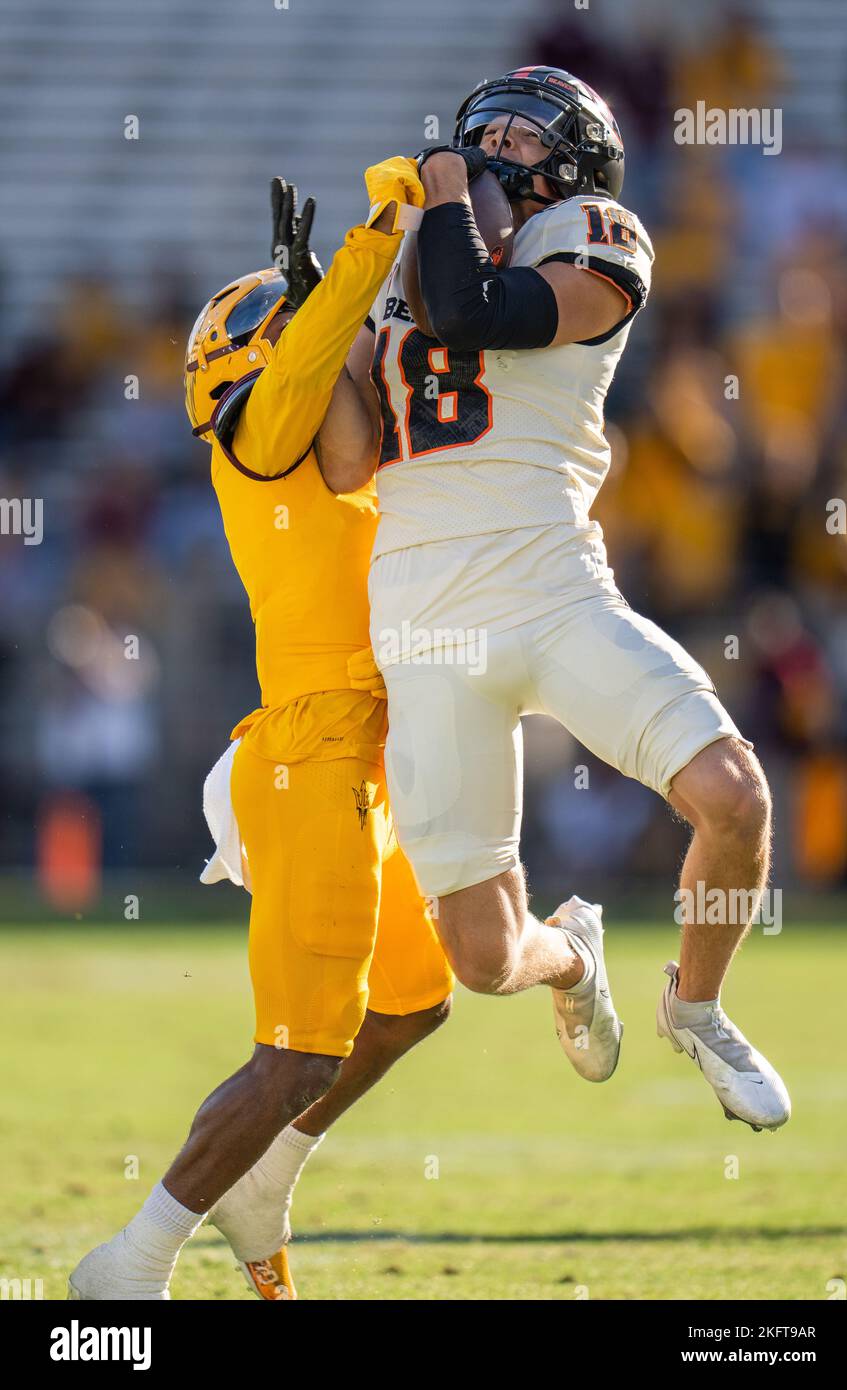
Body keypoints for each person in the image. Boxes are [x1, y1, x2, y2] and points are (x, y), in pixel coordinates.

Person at [329, 68, 790, 1134]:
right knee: (486, 959)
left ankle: (699, 1003)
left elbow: (472, 307)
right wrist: (312, 338)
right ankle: (572, 954)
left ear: (580, 161)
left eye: (520, 137)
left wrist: (439, 203)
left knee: (733, 797)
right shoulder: (403, 254)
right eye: (477, 131)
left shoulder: (597, 232)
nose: (491, 148)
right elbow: (350, 461)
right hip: (421, 608)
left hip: (549, 585)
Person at [68, 159, 453, 1301]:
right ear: (270, 362)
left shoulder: (330, 465)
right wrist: (377, 237)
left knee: (413, 1002)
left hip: (359, 758)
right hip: (309, 759)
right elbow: (304, 375)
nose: (342, 375)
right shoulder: (258, 434)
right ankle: (129, 1263)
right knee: (297, 1049)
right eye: (313, 354)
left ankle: (263, 1171)